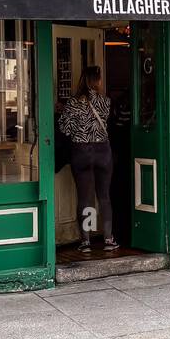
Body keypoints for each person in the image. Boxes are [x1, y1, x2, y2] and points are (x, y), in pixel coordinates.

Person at [58, 66, 117, 252]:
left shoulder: (73, 103)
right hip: (102, 152)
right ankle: (108, 239)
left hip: (81, 152)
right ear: (97, 81)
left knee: (85, 198)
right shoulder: (105, 101)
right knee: (104, 197)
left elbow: (65, 129)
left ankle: (86, 241)